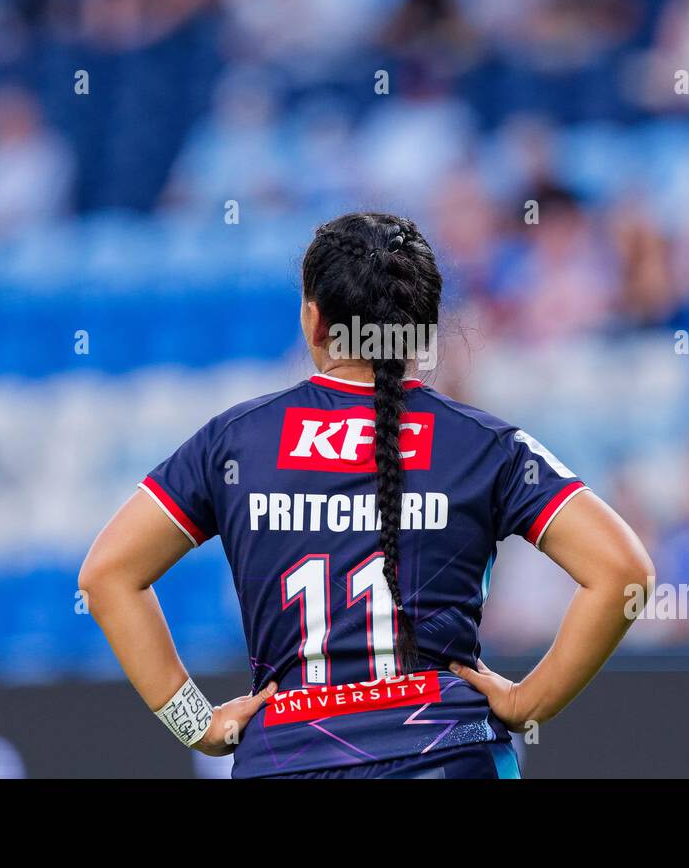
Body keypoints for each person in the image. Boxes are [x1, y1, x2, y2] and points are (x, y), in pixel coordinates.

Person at [79, 212, 654, 778]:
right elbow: (624, 573)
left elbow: (108, 576)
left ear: (312, 321)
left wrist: (197, 725)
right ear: (426, 330)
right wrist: (531, 702)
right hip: (447, 753)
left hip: (286, 759)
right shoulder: (484, 445)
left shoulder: (236, 443)